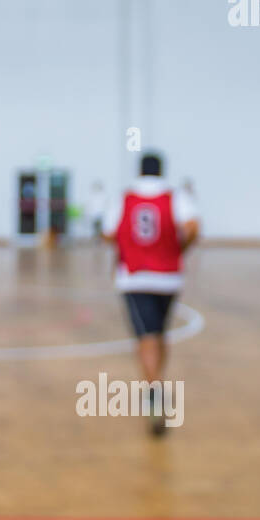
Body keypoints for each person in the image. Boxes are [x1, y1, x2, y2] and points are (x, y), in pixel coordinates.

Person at [103, 152, 199, 437]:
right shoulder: (175, 197)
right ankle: (158, 381)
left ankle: (153, 391)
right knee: (160, 334)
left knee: (145, 338)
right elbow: (193, 227)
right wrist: (179, 248)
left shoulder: (125, 198)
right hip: (168, 277)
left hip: (135, 277)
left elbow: (108, 232)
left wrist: (127, 245)